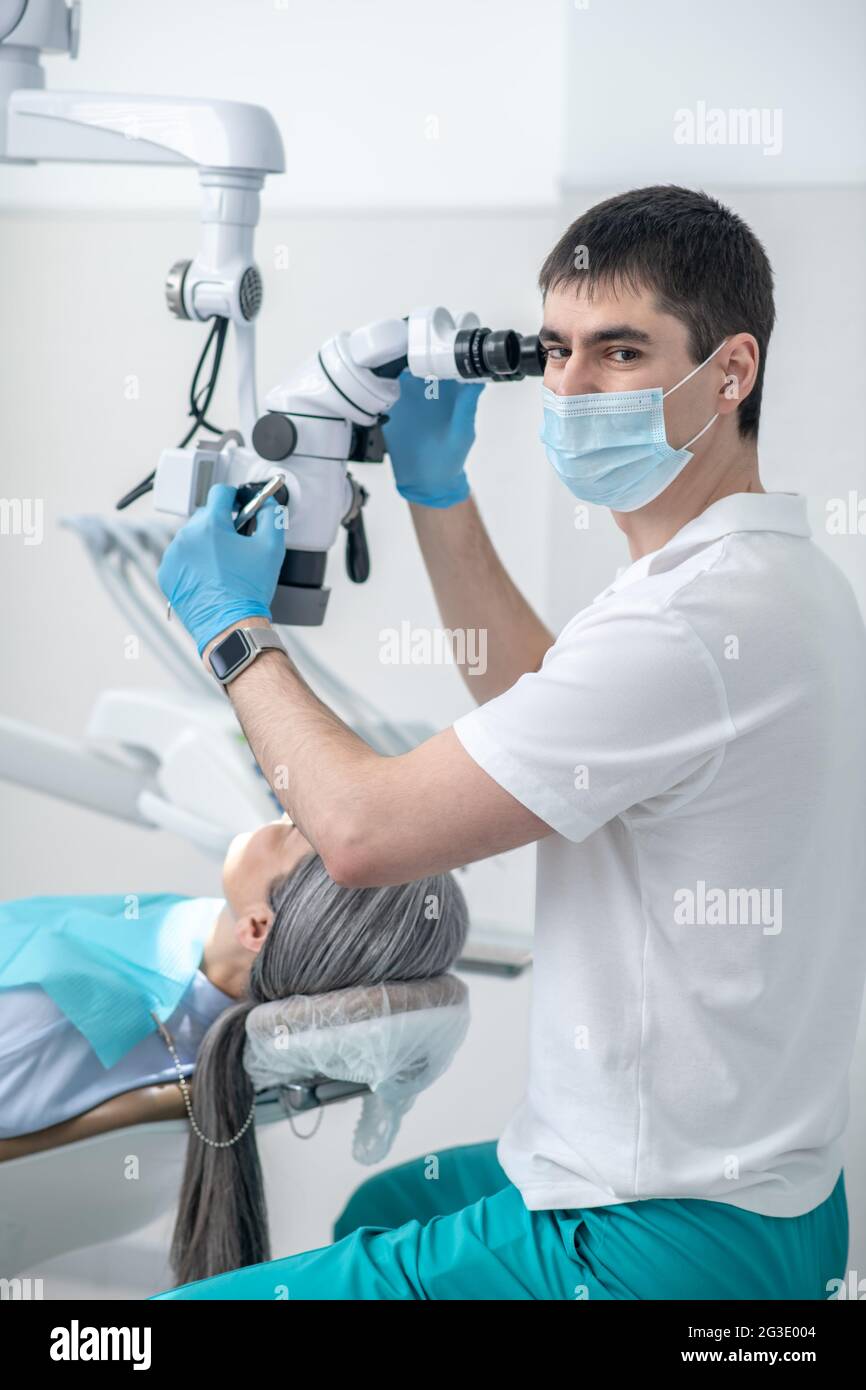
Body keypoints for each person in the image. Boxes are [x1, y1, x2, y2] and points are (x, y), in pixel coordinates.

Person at [154, 184, 866, 1300]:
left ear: (730, 372)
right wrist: (436, 491)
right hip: (774, 1199)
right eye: (554, 353)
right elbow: (557, 709)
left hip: (646, 1241)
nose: (572, 387)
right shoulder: (775, 583)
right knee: (388, 1205)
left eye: (620, 352)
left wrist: (230, 634)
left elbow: (361, 833)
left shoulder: (686, 622)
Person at [0, 817, 469, 1285]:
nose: (287, 813)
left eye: (295, 831)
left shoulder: (53, 1017)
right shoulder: (209, 967)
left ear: (258, 927)